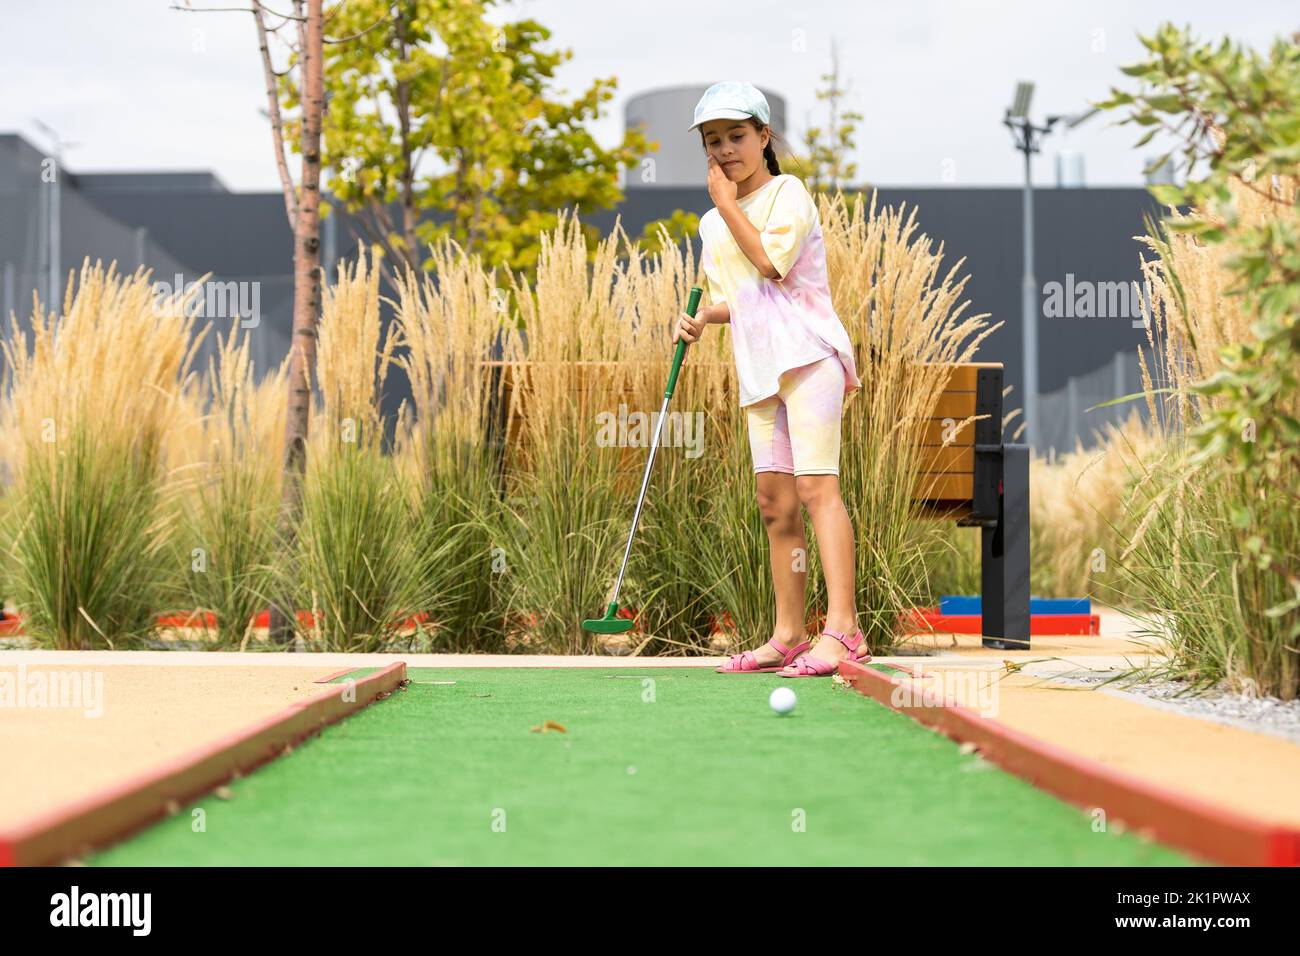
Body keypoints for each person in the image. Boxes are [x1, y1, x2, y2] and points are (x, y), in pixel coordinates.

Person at [674, 81, 868, 677]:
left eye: (737, 136)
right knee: (774, 504)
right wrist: (705, 315)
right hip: (760, 368)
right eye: (714, 141)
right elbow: (747, 297)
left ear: (763, 137)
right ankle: (788, 634)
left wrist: (726, 203)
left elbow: (771, 264)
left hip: (808, 358)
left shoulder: (788, 194)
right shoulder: (711, 225)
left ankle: (844, 632)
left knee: (816, 491)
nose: (726, 149)